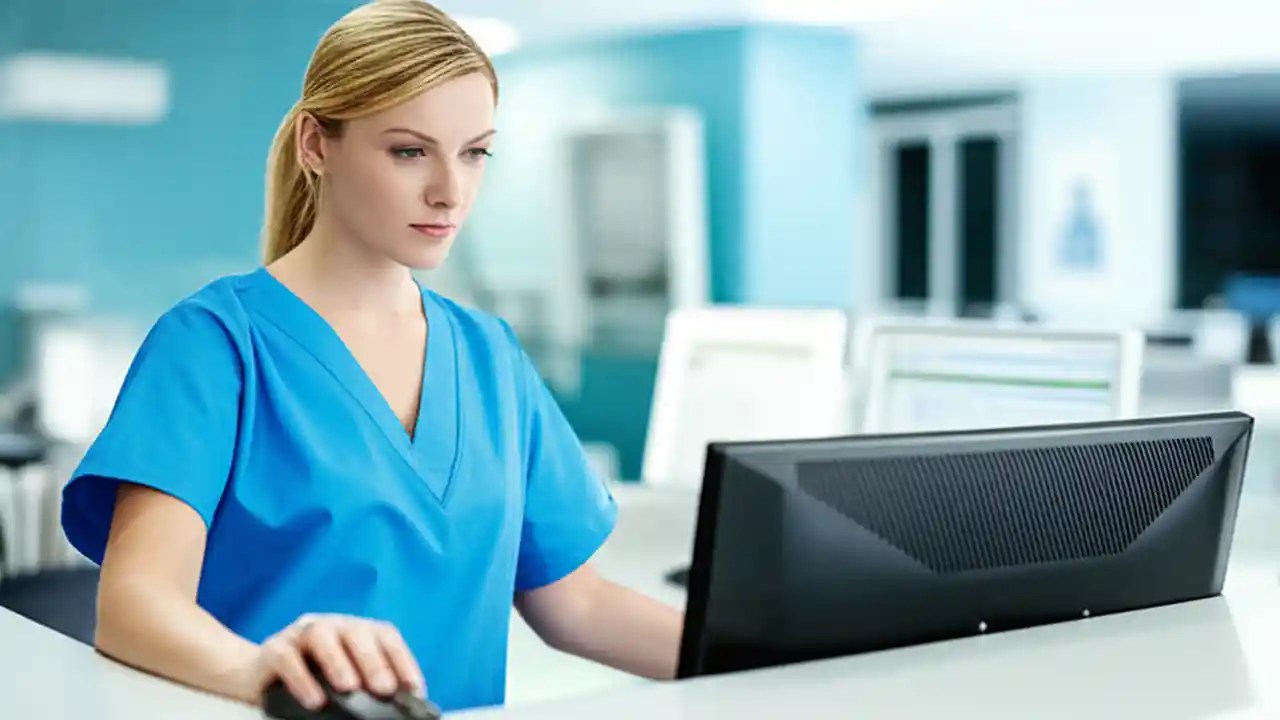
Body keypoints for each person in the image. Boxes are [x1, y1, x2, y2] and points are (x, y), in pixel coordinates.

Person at [59, 0, 683, 713]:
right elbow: (136, 605)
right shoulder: (214, 345)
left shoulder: (490, 358)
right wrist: (269, 671)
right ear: (316, 146)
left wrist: (778, 650)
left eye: (475, 152)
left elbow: (577, 607)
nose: (451, 191)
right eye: (410, 151)